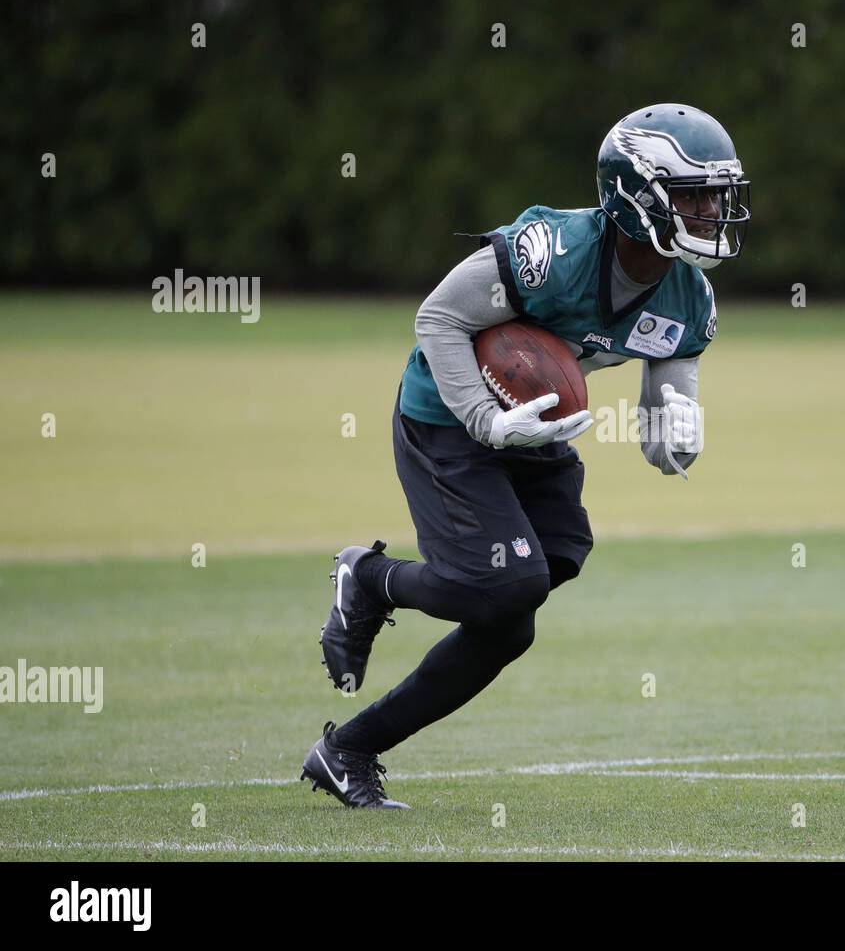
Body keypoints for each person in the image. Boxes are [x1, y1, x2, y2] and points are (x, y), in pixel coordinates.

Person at [300, 103, 751, 808]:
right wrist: (484, 418)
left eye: (717, 194)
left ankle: (348, 749)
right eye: (693, 193)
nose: (712, 210)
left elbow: (669, 384)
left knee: (532, 592)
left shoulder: (691, 296)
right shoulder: (555, 251)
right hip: (448, 416)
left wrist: (674, 427)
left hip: (537, 427)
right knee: (505, 587)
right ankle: (369, 577)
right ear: (636, 192)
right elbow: (439, 319)